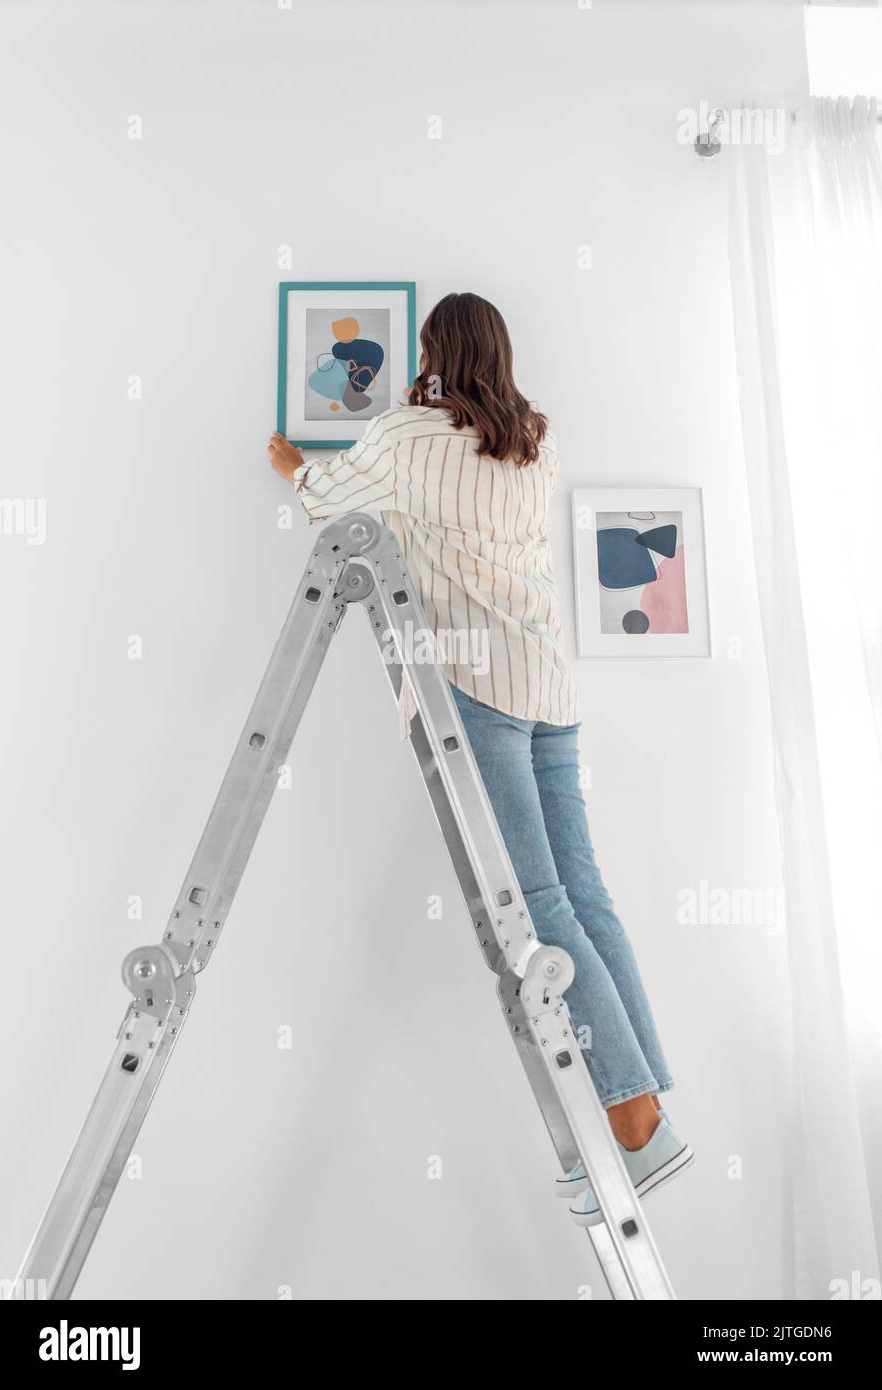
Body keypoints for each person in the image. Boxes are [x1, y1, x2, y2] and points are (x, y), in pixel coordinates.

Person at [268, 291, 693, 1224]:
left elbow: (323, 503)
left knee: (539, 906)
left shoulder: (402, 436)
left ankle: (629, 1122)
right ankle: (648, 1109)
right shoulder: (533, 439)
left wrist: (289, 459)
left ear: (431, 353)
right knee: (584, 896)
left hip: (479, 687)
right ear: (499, 354)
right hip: (552, 687)